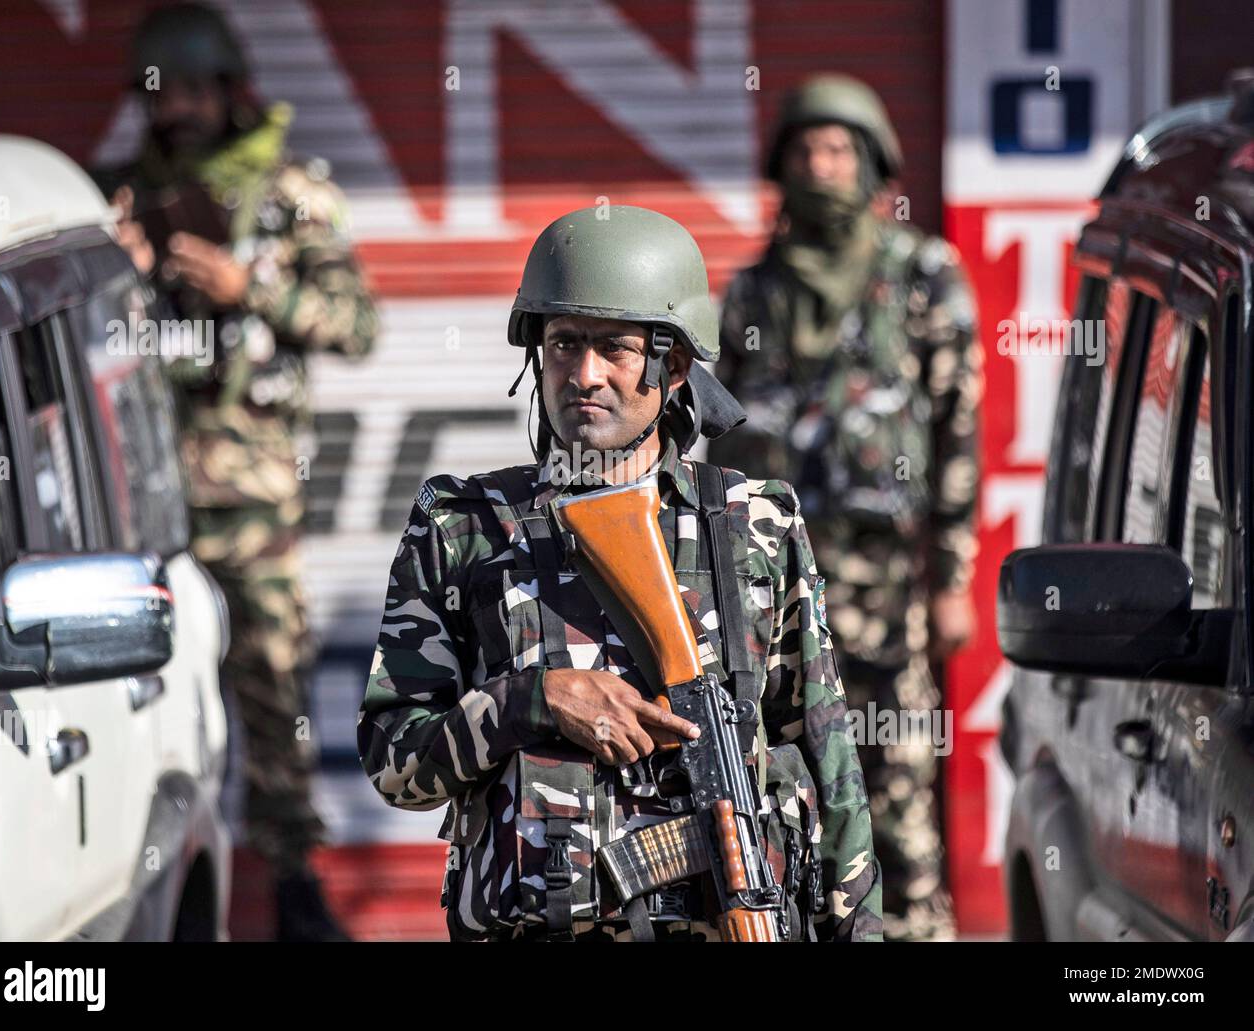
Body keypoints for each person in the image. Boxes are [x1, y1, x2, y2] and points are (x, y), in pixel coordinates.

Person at [358, 205, 882, 941]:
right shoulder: (462, 525)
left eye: (616, 348)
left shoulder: (756, 521)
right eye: (564, 343)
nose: (585, 374)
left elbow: (831, 763)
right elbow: (393, 758)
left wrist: (857, 930)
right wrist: (530, 700)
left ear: (673, 367)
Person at [96, 2, 379, 941]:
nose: (172, 109)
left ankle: (297, 891)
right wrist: (118, 279)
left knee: (270, 691)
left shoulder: (291, 196)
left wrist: (246, 284)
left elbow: (355, 323)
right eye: (157, 93)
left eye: (189, 89)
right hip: (136, 513)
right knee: (129, 699)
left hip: (250, 503)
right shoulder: (118, 199)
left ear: (226, 88)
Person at [708, 75, 981, 941]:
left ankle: (915, 926)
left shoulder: (922, 275)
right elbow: (717, 436)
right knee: (778, 777)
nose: (821, 167)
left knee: (895, 773)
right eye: (804, 150)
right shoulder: (752, 293)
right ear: (780, 168)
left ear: (870, 166)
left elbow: (957, 425)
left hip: (884, 580)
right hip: (771, 583)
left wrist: (955, 576)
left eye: (838, 150)